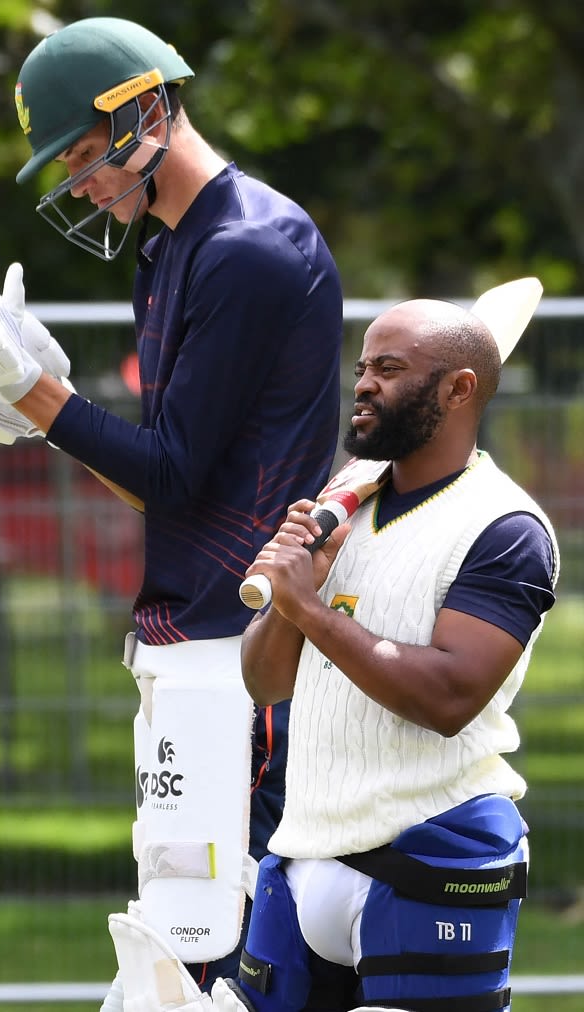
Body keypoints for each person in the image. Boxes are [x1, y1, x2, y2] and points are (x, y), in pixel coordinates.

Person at [0, 15, 345, 1001]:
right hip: (189, 650)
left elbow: (171, 474)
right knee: (175, 951)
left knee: (226, 958)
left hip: (241, 649)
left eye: (80, 153)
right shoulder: (171, 247)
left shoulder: (247, 247)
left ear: (145, 110)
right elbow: (162, 479)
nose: (77, 183)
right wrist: (44, 410)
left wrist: (33, 393)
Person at [221, 298, 558, 1011]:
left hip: (434, 850)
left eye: (391, 369)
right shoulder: (346, 510)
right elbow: (265, 680)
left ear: (458, 389)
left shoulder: (505, 528)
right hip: (304, 850)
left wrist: (311, 610)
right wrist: (293, 596)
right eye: (364, 367)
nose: (366, 384)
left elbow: (448, 697)